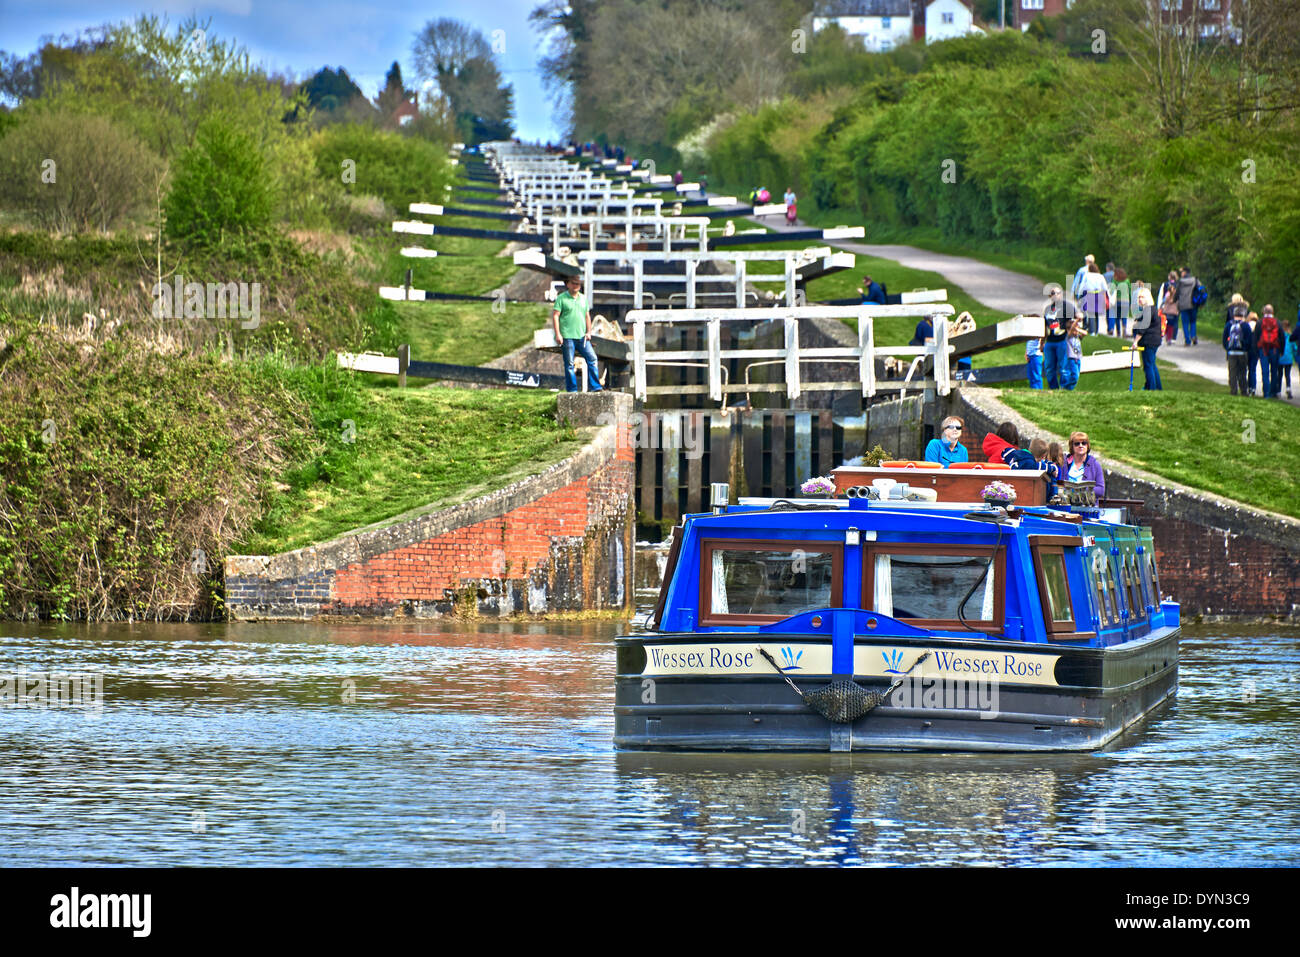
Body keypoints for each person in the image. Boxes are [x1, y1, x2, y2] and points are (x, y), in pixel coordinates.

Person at [551, 275, 603, 393]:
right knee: (569, 364)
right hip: (567, 337)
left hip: (582, 337)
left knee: (592, 359)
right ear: (567, 284)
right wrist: (558, 334)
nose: (576, 286)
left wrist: (589, 332)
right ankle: (572, 390)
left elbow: (587, 316)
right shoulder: (561, 298)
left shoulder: (583, 298)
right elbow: (555, 316)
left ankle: (595, 387)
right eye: (573, 283)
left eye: (578, 284)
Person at [1132, 281, 1162, 390]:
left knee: (1148, 365)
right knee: (1152, 364)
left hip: (1149, 341)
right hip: (1155, 341)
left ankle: (1151, 388)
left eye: (1143, 297)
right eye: (1139, 297)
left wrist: (1135, 342)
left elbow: (1142, 328)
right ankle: (1157, 388)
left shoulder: (1148, 310)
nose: (1140, 299)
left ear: (1148, 298)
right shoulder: (1151, 310)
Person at [1223, 297, 1253, 396]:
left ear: (1234, 314)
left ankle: (1233, 391)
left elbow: (1224, 339)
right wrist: (1246, 349)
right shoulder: (1245, 326)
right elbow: (1249, 340)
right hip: (1242, 353)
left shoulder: (1228, 325)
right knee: (1242, 372)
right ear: (1243, 314)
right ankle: (1244, 391)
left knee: (1232, 373)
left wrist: (1228, 348)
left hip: (1231, 352)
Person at [1043, 288, 1071, 389]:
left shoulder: (1066, 307)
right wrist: (1042, 342)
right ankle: (1053, 389)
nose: (1055, 295)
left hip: (1063, 340)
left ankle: (1065, 389)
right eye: (1052, 294)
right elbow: (1044, 326)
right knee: (1049, 368)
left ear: (1061, 294)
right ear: (1050, 296)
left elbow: (1071, 324)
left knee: (1064, 368)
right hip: (1050, 342)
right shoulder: (1047, 309)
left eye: (1057, 293)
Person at [1065, 431, 1106, 500]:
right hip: (1066, 505)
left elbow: (1101, 490)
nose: (1080, 446)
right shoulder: (1064, 463)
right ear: (1072, 446)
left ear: (1087, 445)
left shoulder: (1095, 465)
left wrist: (1081, 491)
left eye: (1084, 443)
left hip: (1087, 507)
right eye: (1077, 444)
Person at [1258, 305, 1283, 398]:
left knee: (1265, 371)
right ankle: (1273, 392)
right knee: (1274, 371)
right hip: (1275, 350)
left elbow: (1256, 337)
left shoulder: (1260, 322)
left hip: (1263, 350)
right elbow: (1281, 337)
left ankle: (1266, 393)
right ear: (1272, 312)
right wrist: (1281, 350)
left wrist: (1257, 351)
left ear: (1264, 312)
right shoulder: (1277, 322)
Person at [1078, 263, 1109, 336]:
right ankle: (1096, 331)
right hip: (1098, 294)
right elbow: (1105, 287)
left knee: (1091, 313)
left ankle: (1092, 331)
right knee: (1096, 314)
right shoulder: (1100, 276)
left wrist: (1079, 294)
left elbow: (1082, 285)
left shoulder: (1087, 275)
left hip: (1089, 294)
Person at [1176, 266, 1200, 345]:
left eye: (1182, 272)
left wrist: (1174, 300)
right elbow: (1200, 290)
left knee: (1185, 323)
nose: (1181, 274)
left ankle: (1187, 340)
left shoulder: (1180, 282)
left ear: (1185, 272)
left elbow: (1177, 293)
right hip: (1193, 304)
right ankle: (1193, 335)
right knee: (1193, 321)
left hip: (1183, 305)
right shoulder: (1195, 280)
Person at [1062, 316, 1084, 390]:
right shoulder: (1068, 337)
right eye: (1075, 330)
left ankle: (1068, 390)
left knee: (1076, 378)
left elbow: (1085, 333)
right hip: (1072, 358)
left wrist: (1078, 329)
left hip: (1078, 358)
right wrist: (1077, 320)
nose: (1076, 331)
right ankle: (1065, 388)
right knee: (1075, 376)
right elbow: (1071, 328)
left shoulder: (1078, 337)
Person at [1159, 271, 1180, 344]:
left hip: (1167, 309)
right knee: (1175, 323)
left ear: (1169, 276)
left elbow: (1162, 296)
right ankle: (1173, 337)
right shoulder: (1178, 285)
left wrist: (1160, 306)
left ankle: (1166, 336)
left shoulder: (1165, 284)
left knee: (1166, 323)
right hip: (1176, 309)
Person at [1111, 267, 1131, 338]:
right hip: (1126, 301)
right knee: (1124, 317)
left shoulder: (1115, 281)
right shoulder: (1127, 281)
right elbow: (1130, 291)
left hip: (1118, 301)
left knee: (1117, 317)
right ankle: (1124, 331)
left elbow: (1112, 290)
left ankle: (1118, 332)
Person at [1246, 310, 1261, 395]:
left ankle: (1248, 387)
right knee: (1253, 370)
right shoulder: (1258, 326)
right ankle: (1253, 388)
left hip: (1248, 350)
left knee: (1247, 369)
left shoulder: (1246, 326)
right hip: (1255, 350)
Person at [1279, 317, 1294, 400]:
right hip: (1288, 358)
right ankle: (1288, 388)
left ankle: (1278, 391)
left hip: (1280, 358)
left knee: (1280, 374)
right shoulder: (1290, 336)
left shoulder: (1279, 336)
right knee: (1287, 374)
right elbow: (1294, 347)